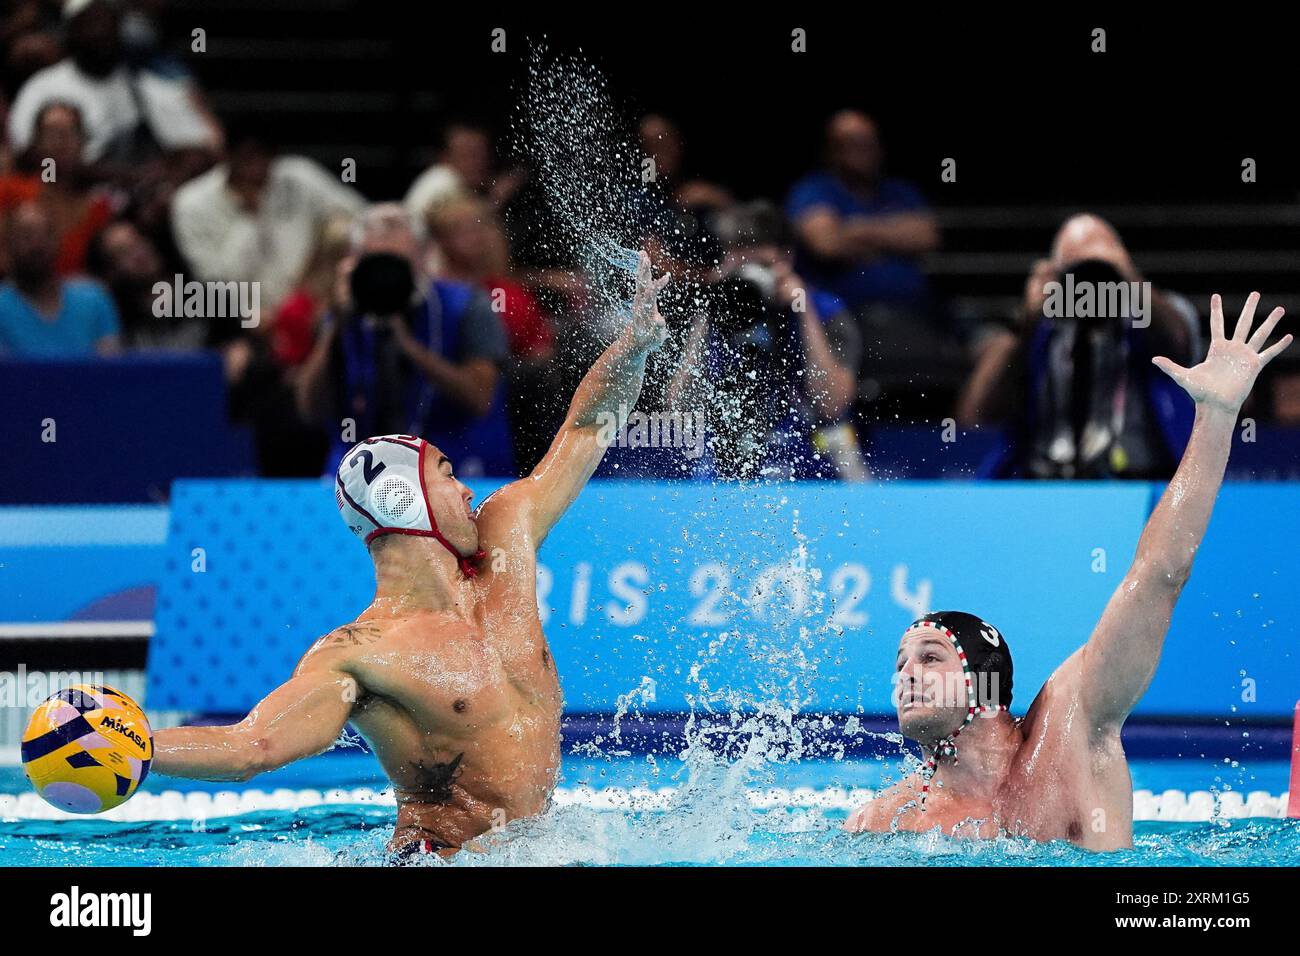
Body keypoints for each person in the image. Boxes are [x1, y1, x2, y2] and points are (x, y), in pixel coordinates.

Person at [149, 251, 672, 859]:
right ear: (407, 500)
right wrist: (134, 746)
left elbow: (584, 430)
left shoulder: (506, 536)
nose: (467, 489)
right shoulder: (360, 655)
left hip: (536, 849)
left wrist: (634, 344)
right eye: (447, 475)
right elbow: (252, 749)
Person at [846, 293, 1291, 849]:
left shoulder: (1073, 727)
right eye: (902, 663)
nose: (905, 675)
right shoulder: (882, 821)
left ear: (985, 683)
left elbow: (1159, 574)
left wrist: (1217, 416)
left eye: (930, 658)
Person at [957, 214, 1203, 479]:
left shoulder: (1151, 315)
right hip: (1045, 482)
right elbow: (974, 414)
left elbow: (1179, 341)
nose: (1091, 287)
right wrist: (1025, 323)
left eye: (1100, 271)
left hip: (1141, 479)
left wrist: (1129, 279)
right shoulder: (1038, 327)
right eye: (1077, 272)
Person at [296, 203, 516, 477]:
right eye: (375, 264)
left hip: (456, 469)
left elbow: (480, 399)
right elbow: (309, 410)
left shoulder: (467, 305)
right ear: (352, 263)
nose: (386, 276)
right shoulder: (345, 314)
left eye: (398, 263)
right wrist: (337, 323)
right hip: (359, 473)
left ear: (424, 258)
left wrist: (410, 346)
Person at [0, 198, 119, 355]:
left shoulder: (94, 298)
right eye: (26, 236)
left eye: (45, 234)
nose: (37, 244)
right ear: (8, 245)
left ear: (58, 241)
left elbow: (111, 368)